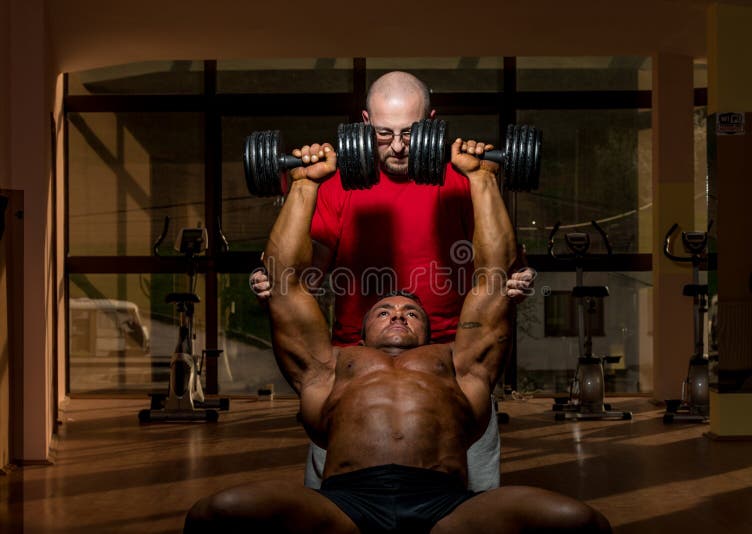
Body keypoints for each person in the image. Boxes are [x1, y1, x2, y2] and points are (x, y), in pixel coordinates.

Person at [186, 140, 610, 533]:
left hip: (445, 504)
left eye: (411, 312)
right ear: (362, 330)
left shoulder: (458, 368)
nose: (398, 314)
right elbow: (285, 284)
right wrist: (303, 183)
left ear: (430, 332)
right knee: (216, 512)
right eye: (384, 310)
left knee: (579, 520)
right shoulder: (329, 369)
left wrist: (482, 177)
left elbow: (493, 278)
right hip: (347, 503)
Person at [250, 71, 534, 491]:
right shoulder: (336, 184)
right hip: (350, 366)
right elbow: (301, 279)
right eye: (384, 133)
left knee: (474, 509)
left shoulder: (462, 179)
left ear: (432, 121)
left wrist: (521, 277)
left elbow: (501, 269)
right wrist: (271, 283)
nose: (398, 146)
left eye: (409, 132)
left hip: (453, 362)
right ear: (365, 122)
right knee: (335, 502)